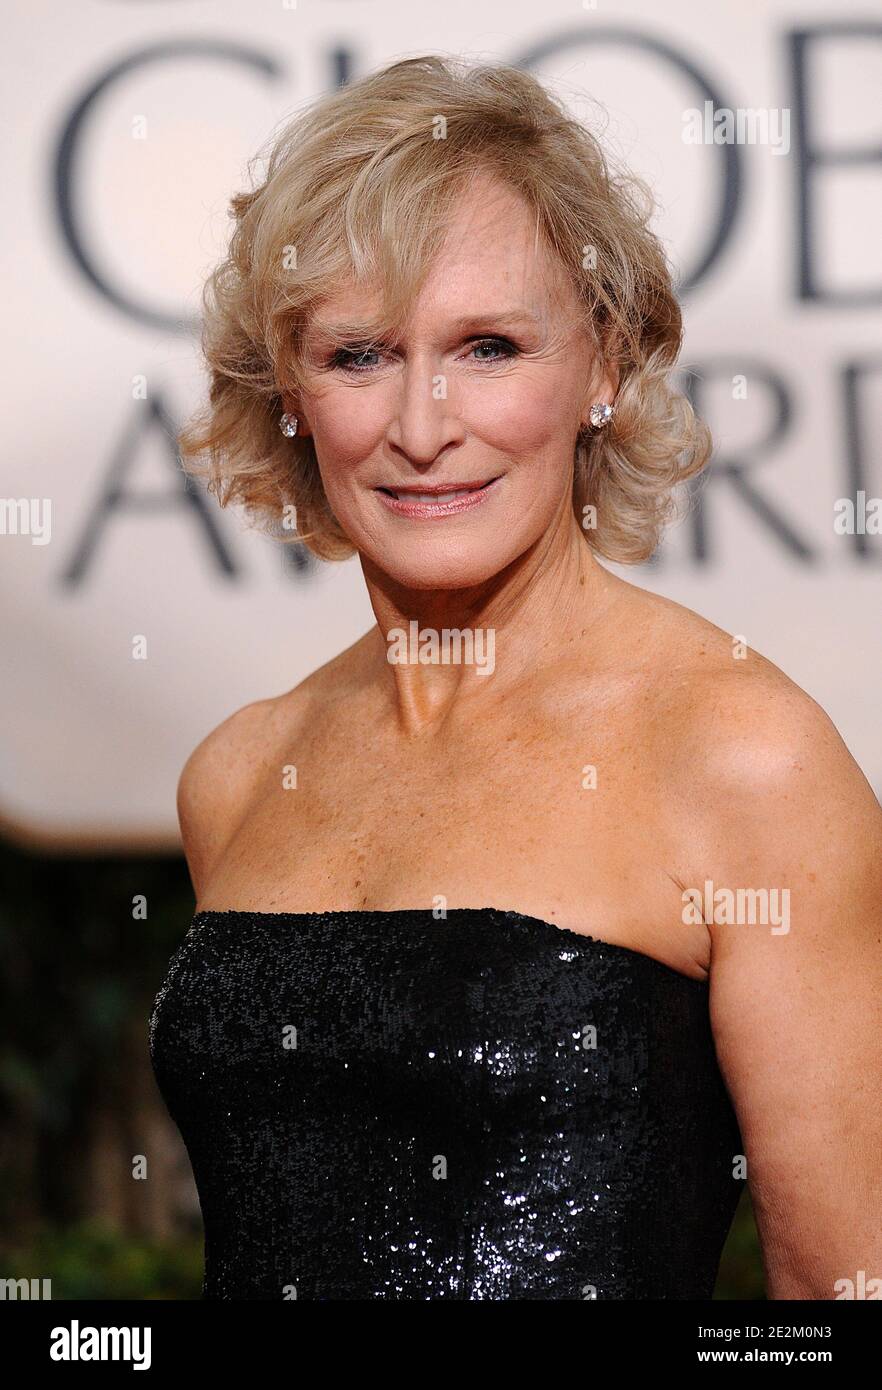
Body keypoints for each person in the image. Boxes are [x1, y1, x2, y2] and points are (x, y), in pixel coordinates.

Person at [149, 54, 882, 1300]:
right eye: (360, 355)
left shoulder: (741, 755)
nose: (423, 425)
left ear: (604, 366)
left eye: (488, 347)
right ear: (289, 395)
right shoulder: (237, 773)